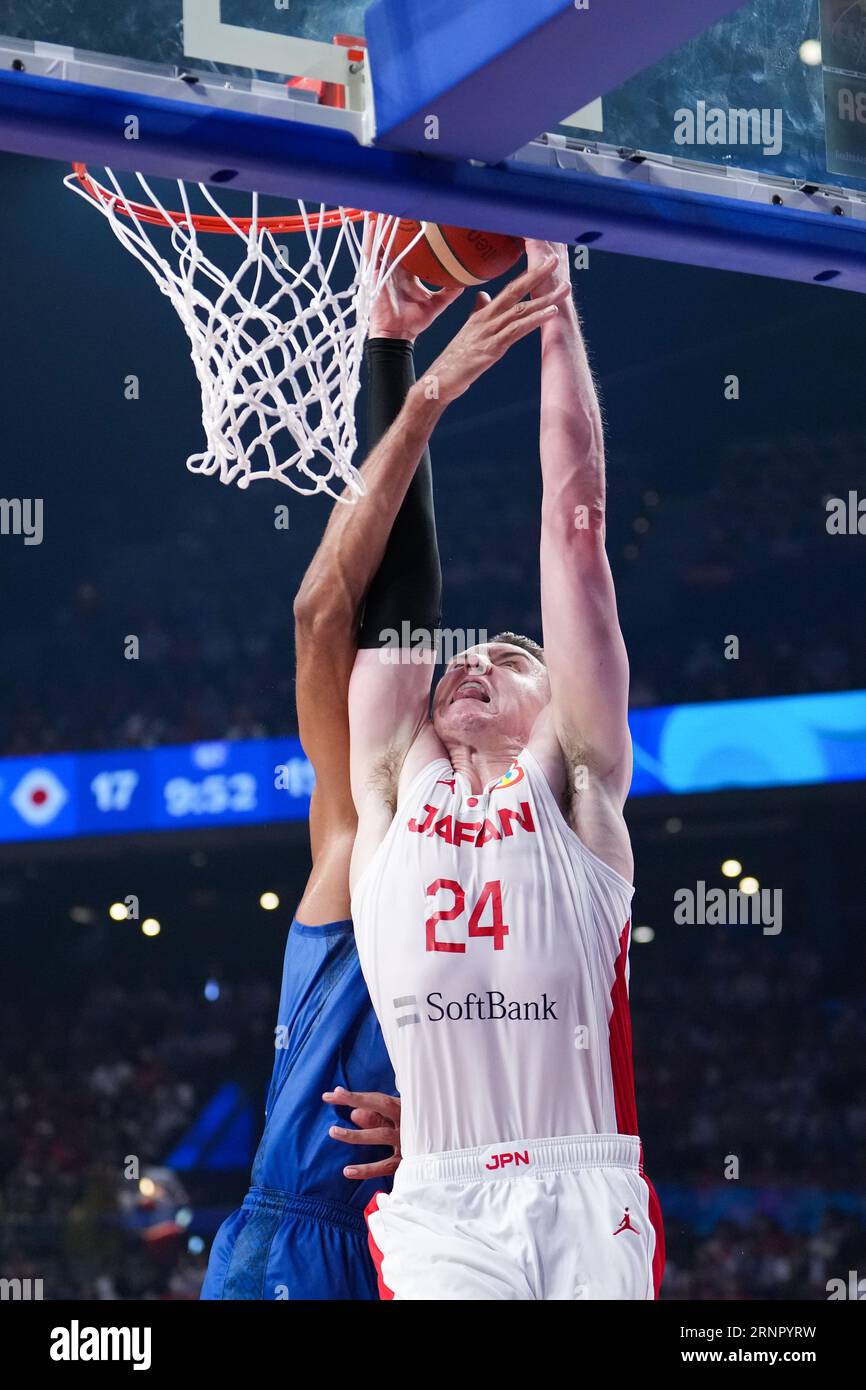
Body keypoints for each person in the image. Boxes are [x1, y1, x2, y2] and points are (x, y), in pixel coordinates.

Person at [348, 241, 665, 1300]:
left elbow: (574, 535)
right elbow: (388, 586)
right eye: (463, 654)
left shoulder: (574, 784)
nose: (474, 655)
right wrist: (390, 353)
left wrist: (555, 316)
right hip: (440, 1204)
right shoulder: (393, 783)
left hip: (586, 1190)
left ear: (553, 705)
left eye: (511, 656)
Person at [201, 256, 463, 1299]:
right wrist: (401, 371)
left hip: (439, 1233)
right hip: (303, 1233)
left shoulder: (541, 889)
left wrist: (452, 1124)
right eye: (455, 676)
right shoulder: (360, 842)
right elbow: (329, 615)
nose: (467, 674)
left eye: (503, 669)